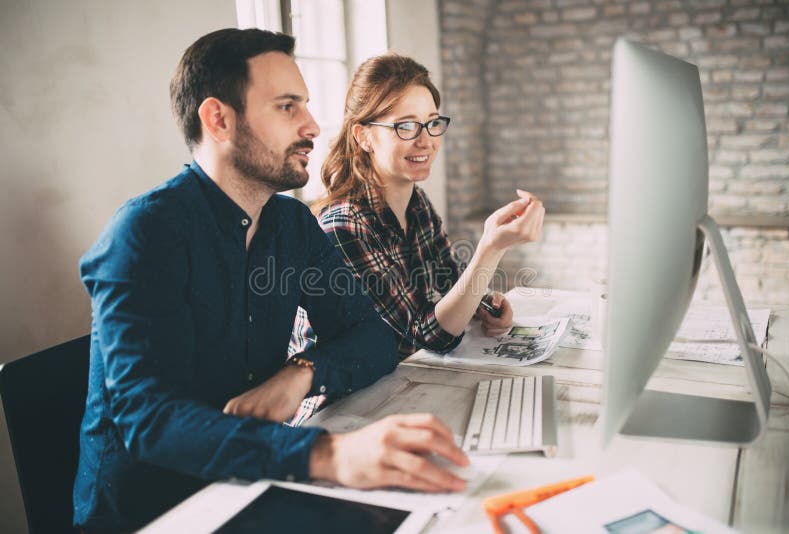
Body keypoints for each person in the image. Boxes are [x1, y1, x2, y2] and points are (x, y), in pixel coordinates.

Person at [74, 30, 468, 533]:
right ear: (219, 119)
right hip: (158, 512)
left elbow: (371, 336)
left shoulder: (290, 222)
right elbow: (151, 420)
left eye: (305, 104)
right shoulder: (144, 233)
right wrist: (326, 454)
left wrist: (303, 372)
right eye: (287, 107)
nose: (312, 125)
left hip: (258, 478)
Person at [294, 53, 544, 365]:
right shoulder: (344, 226)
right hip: (340, 392)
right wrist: (492, 248)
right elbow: (428, 336)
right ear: (364, 137)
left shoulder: (417, 203)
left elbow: (449, 281)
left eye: (432, 122)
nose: (426, 141)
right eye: (406, 126)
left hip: (398, 376)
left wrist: (484, 306)